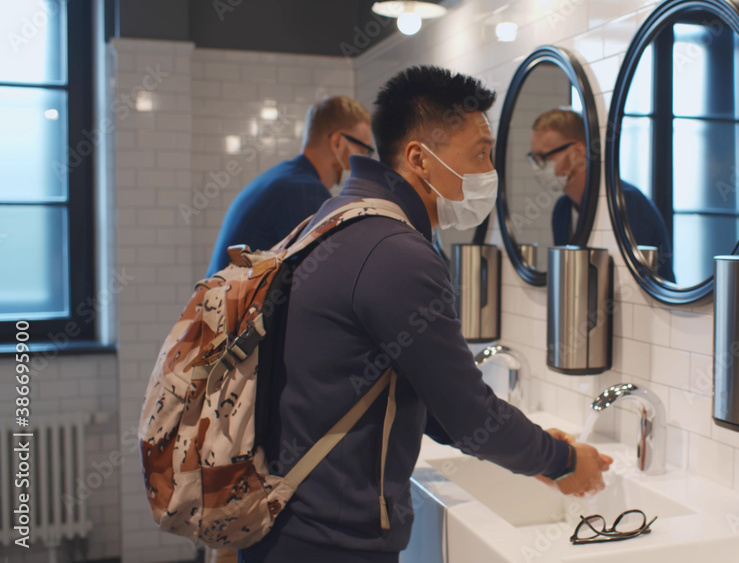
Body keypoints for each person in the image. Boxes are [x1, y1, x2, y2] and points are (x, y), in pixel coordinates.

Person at [237, 66, 613, 563]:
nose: (489, 170)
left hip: (290, 522)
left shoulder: (338, 217)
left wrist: (536, 452)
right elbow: (468, 413)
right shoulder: (396, 251)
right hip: (330, 540)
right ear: (420, 158)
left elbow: (430, 399)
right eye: (480, 152)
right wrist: (565, 461)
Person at [204, 96, 375, 276]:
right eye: (363, 149)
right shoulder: (303, 191)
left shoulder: (286, 178)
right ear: (337, 142)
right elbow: (326, 276)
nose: (364, 158)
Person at [529, 109, 675, 281]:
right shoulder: (562, 209)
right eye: (533, 157)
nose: (537, 167)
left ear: (577, 153)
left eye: (544, 156)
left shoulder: (624, 202)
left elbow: (632, 283)